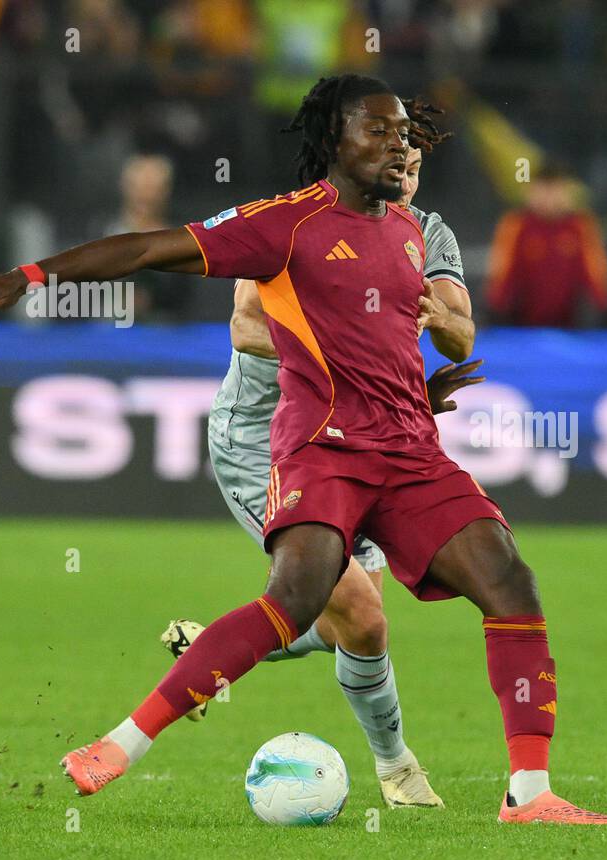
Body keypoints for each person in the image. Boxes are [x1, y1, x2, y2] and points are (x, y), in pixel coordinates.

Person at [0, 72, 607, 825]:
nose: (399, 147)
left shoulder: (411, 232)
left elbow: (383, 346)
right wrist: (29, 276)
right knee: (297, 602)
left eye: (405, 135)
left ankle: (528, 794)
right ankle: (118, 745)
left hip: (409, 451)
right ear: (335, 141)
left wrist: (414, 394)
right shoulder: (286, 225)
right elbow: (147, 249)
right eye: (380, 132)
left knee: (510, 582)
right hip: (321, 450)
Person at [169, 131, 481, 812]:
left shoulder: (426, 232)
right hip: (266, 441)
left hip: (358, 441)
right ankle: (399, 773)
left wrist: (438, 324)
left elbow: (461, 331)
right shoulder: (296, 221)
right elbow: (247, 329)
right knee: (360, 613)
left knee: (356, 627)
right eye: (393, 165)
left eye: (416, 168)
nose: (405, 179)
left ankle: (211, 654)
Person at [485, 160, 607, 328]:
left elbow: (596, 276)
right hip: (521, 327)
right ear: (530, 192)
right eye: (543, 190)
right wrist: (491, 314)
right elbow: (502, 277)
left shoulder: (580, 226)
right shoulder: (516, 225)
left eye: (555, 190)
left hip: (569, 328)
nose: (549, 198)